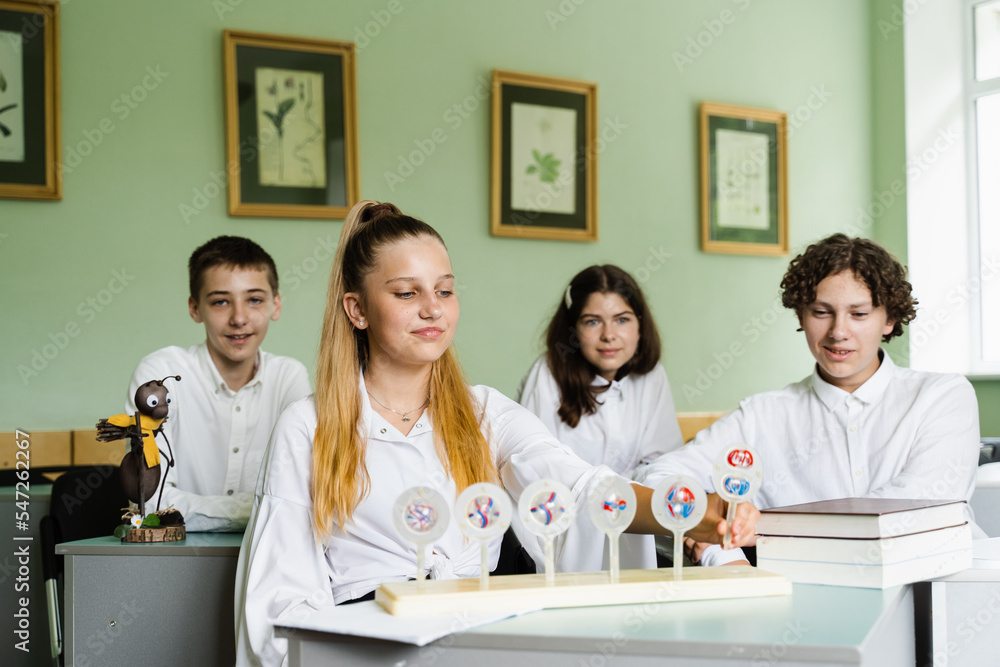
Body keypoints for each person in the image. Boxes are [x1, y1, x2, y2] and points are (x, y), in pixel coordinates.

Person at [234, 201, 758, 667]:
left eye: (444, 289)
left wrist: (690, 512)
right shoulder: (309, 425)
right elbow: (278, 603)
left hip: (478, 642)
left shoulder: (485, 411)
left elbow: (578, 486)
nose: (433, 308)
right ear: (357, 309)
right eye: (406, 292)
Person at [645, 233, 982, 566]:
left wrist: (766, 525)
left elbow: (921, 509)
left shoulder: (942, 396)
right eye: (822, 312)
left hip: (940, 590)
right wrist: (715, 539)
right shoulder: (762, 416)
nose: (838, 331)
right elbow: (657, 482)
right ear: (801, 316)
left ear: (889, 319)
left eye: (859, 314)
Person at [125, 236, 310, 532]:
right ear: (195, 308)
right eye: (221, 301)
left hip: (264, 561)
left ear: (275, 305)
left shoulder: (289, 377)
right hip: (172, 559)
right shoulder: (159, 375)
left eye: (254, 300)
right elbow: (151, 500)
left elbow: (304, 493)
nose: (239, 318)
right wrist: (259, 510)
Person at [517, 264, 687, 571]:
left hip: (634, 522)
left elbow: (663, 463)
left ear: (640, 325)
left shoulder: (651, 376)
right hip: (559, 532)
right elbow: (536, 476)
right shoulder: (547, 374)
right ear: (573, 329)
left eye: (622, 320)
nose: (609, 335)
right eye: (593, 321)